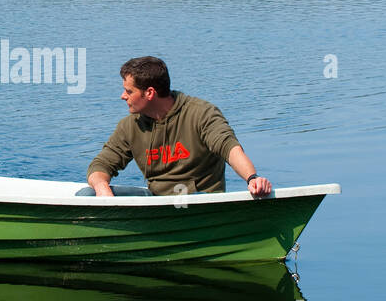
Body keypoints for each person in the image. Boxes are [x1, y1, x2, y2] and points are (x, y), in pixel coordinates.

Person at [87, 56, 272, 197]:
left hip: (199, 200)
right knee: (87, 194)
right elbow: (101, 164)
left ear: (149, 93)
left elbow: (230, 148)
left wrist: (252, 178)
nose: (123, 96)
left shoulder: (201, 113)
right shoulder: (130, 126)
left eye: (129, 91)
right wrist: (102, 189)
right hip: (158, 201)